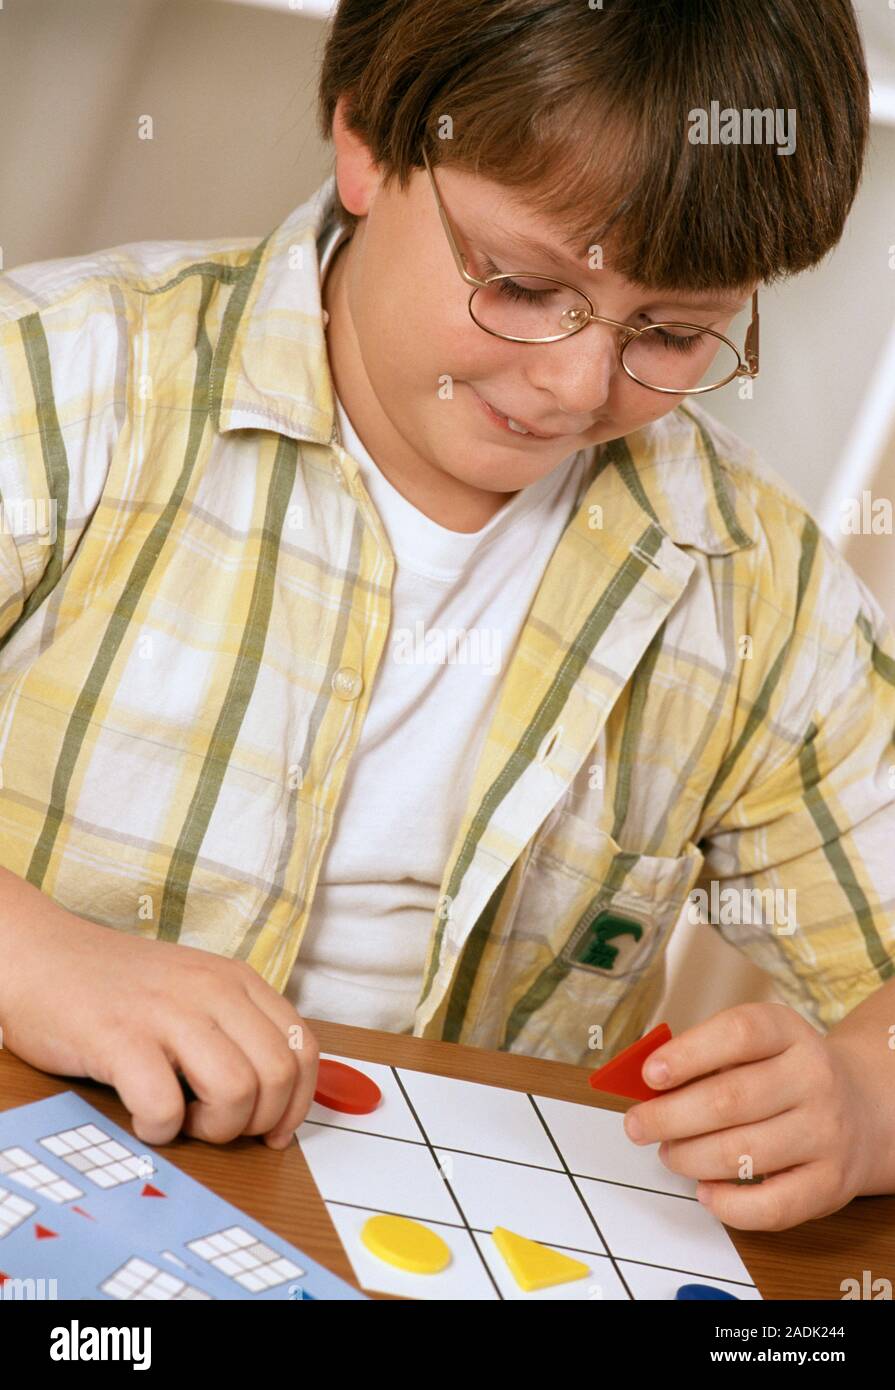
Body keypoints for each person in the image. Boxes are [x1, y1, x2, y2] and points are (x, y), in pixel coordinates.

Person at [0, 0, 892, 1232]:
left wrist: (862, 1095)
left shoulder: (755, 584)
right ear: (367, 140)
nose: (575, 383)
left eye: (675, 332)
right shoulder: (54, 382)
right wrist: (28, 952)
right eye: (524, 287)